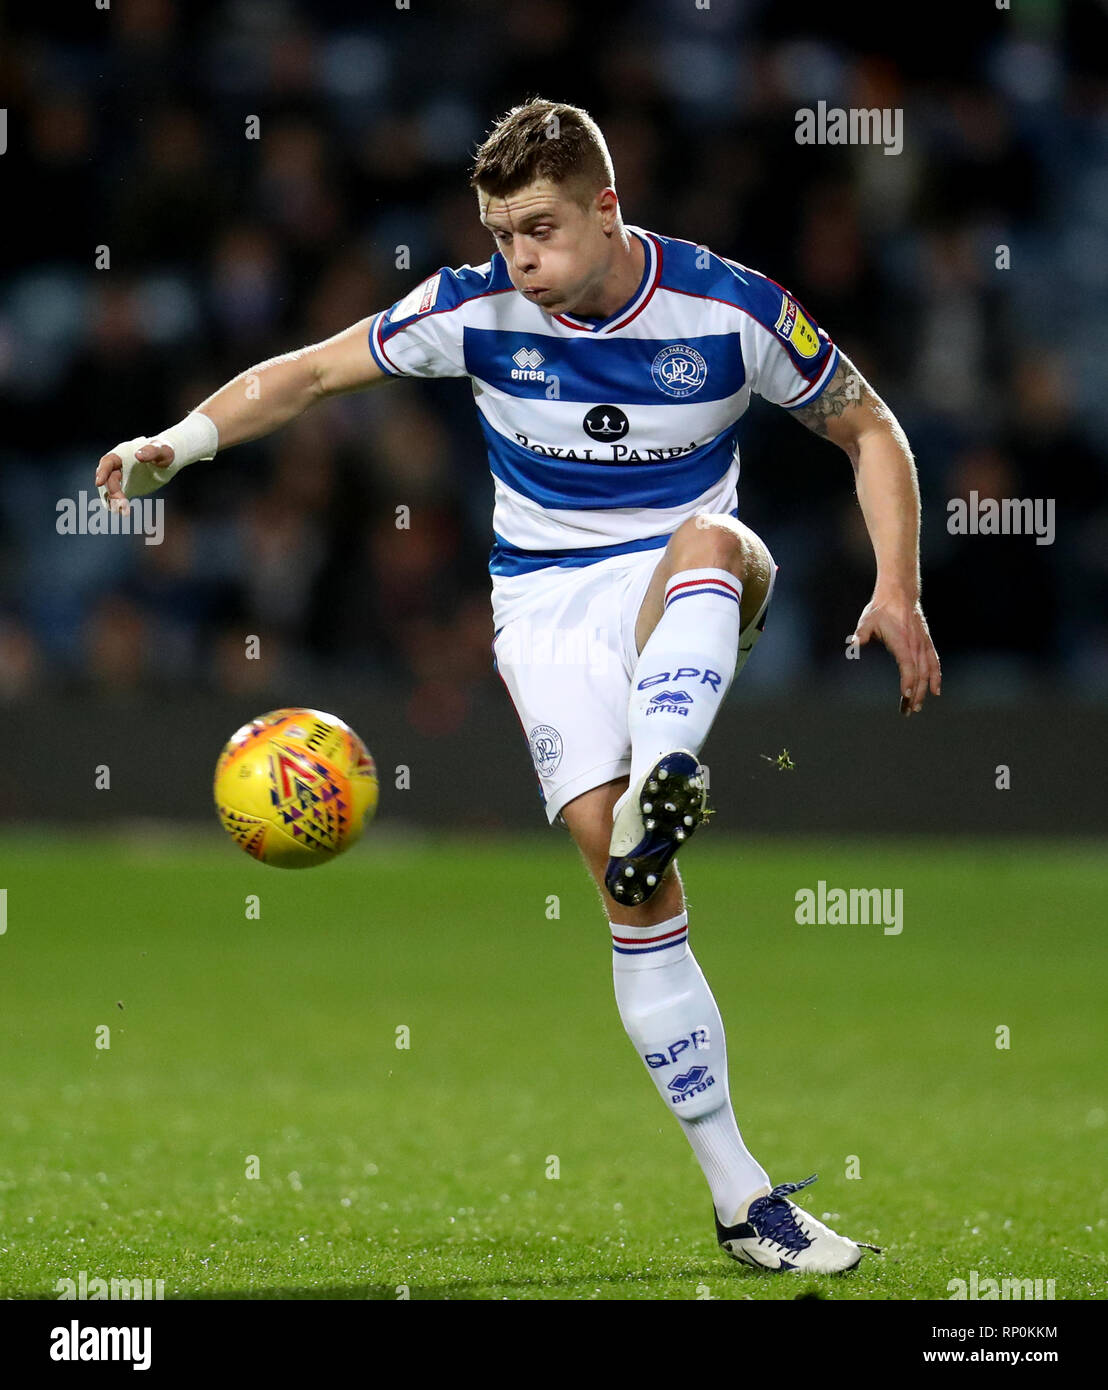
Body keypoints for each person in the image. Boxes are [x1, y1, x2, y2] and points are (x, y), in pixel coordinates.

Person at [96, 98, 941, 1275]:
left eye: (540, 228)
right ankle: (742, 1200)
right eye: (502, 234)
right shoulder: (472, 308)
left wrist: (894, 587)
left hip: (676, 571)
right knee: (630, 890)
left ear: (607, 208)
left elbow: (870, 429)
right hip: (543, 607)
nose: (520, 259)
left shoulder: (733, 307)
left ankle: (666, 764)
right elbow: (306, 374)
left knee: (716, 546)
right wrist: (174, 444)